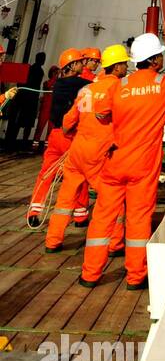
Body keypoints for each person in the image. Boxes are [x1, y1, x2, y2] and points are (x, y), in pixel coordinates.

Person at [80, 33, 165, 291]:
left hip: (116, 161)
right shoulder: (164, 83)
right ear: (154, 59)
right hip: (143, 165)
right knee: (139, 219)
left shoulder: (118, 85)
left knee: (101, 218)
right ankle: (135, 277)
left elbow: (101, 114)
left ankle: (90, 274)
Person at [44, 44, 130, 254]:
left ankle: (52, 241)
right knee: (113, 199)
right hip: (98, 154)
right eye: (125, 64)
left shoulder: (87, 89)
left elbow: (67, 122)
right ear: (117, 67)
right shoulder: (119, 88)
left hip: (77, 151)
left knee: (64, 199)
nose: (126, 67)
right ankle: (115, 243)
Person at [26, 50, 90, 228]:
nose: (82, 65)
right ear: (71, 66)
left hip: (55, 135)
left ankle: (34, 211)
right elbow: (90, 86)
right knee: (79, 175)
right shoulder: (81, 84)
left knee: (46, 174)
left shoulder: (59, 83)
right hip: (71, 136)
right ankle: (80, 215)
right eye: (79, 62)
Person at [5, 51, 46, 146]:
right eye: (42, 58)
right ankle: (20, 142)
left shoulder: (31, 69)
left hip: (25, 97)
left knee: (21, 121)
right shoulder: (37, 70)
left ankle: (14, 141)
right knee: (24, 121)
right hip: (29, 99)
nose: (43, 60)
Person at [33, 65, 59, 147]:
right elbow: (48, 86)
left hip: (53, 109)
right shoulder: (47, 83)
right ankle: (35, 145)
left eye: (57, 73)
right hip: (45, 108)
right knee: (40, 127)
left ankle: (46, 147)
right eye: (55, 73)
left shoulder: (59, 84)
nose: (57, 74)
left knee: (50, 130)